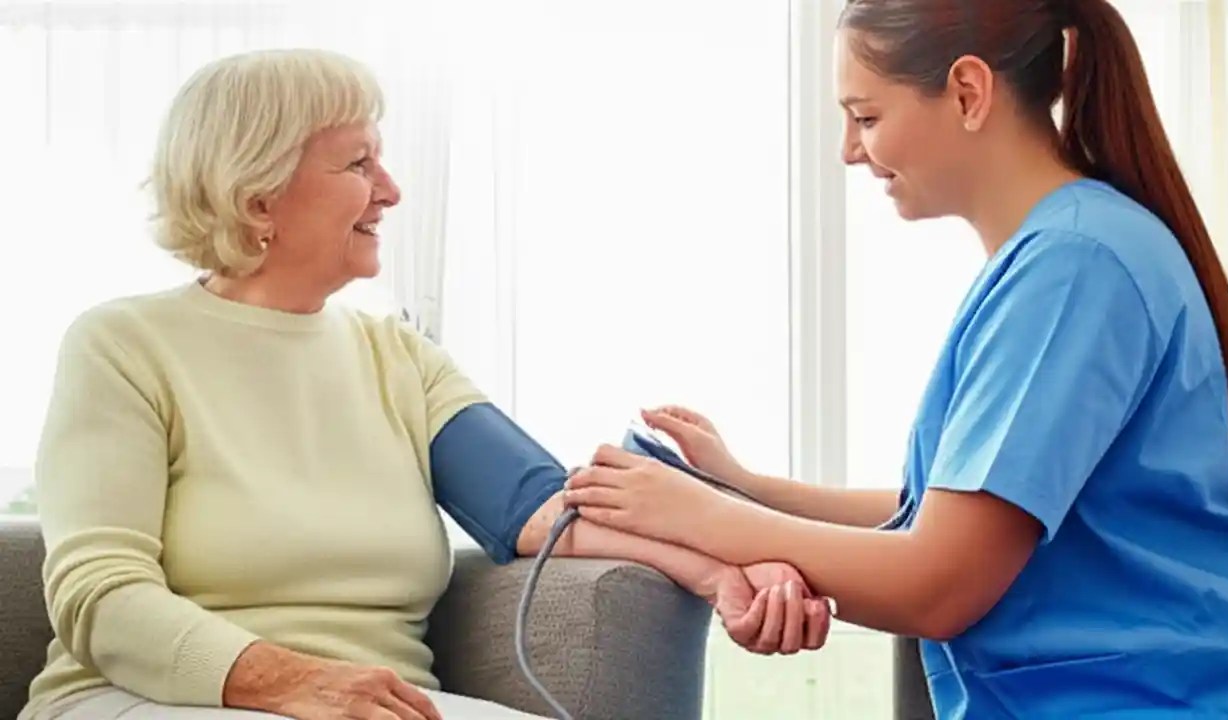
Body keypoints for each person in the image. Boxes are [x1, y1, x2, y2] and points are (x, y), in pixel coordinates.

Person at [19, 48, 833, 720]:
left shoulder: (395, 357)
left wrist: (722, 571)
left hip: (380, 704)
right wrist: (292, 680)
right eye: (357, 162)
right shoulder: (124, 346)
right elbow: (101, 597)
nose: (391, 189)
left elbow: (542, 510)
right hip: (147, 698)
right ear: (258, 192)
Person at [566, 0, 1228, 717]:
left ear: (969, 93)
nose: (849, 149)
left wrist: (699, 516)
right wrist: (744, 489)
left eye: (867, 117)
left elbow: (940, 583)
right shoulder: (1075, 248)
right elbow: (953, 514)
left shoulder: (1073, 268)